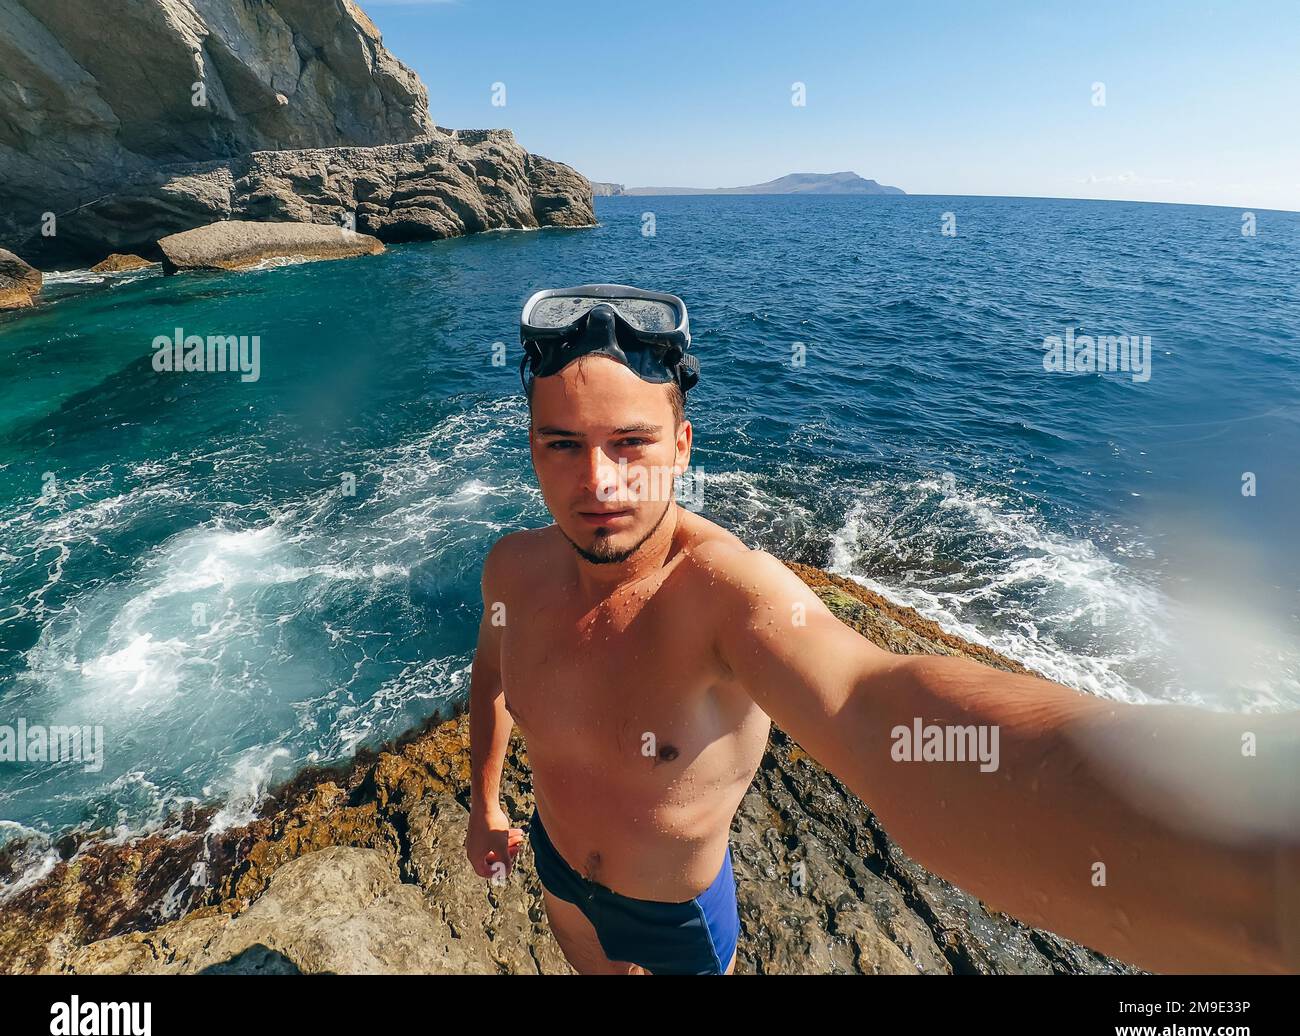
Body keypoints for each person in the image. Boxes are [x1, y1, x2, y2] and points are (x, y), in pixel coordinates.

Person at [464, 285, 1299, 975]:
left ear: (682, 446)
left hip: (675, 920)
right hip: (557, 873)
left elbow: (870, 699)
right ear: (532, 447)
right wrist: (486, 802)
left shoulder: (728, 592)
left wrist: (1235, 845)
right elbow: (494, 676)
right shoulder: (514, 569)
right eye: (563, 443)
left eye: (631, 443)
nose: (598, 480)